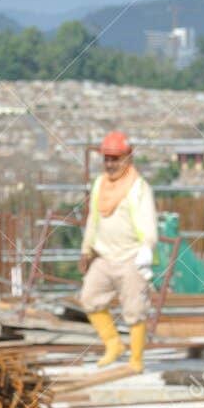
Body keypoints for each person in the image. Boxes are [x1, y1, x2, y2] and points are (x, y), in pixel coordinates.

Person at [78, 130, 158, 371]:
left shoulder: (138, 187)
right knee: (89, 298)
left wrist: (147, 249)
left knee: (135, 309)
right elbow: (93, 219)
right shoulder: (100, 185)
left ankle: (136, 359)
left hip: (131, 256)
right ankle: (113, 344)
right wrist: (86, 250)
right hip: (104, 255)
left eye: (115, 159)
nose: (110, 164)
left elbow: (148, 221)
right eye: (107, 159)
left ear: (127, 159)